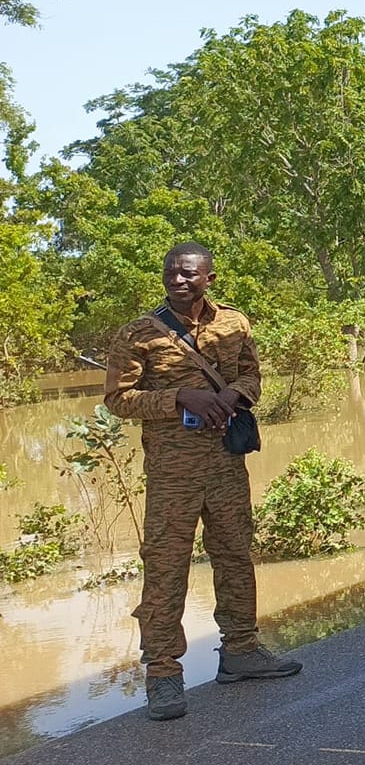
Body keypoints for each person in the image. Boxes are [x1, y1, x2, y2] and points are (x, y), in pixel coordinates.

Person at [103, 243, 302, 721]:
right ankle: (164, 675)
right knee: (167, 566)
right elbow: (117, 399)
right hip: (172, 473)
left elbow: (253, 375)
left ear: (208, 278)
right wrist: (180, 398)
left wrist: (234, 392)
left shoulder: (233, 323)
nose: (178, 280)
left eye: (188, 273)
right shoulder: (139, 335)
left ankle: (240, 650)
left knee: (235, 554)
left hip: (225, 464)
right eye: (171, 272)